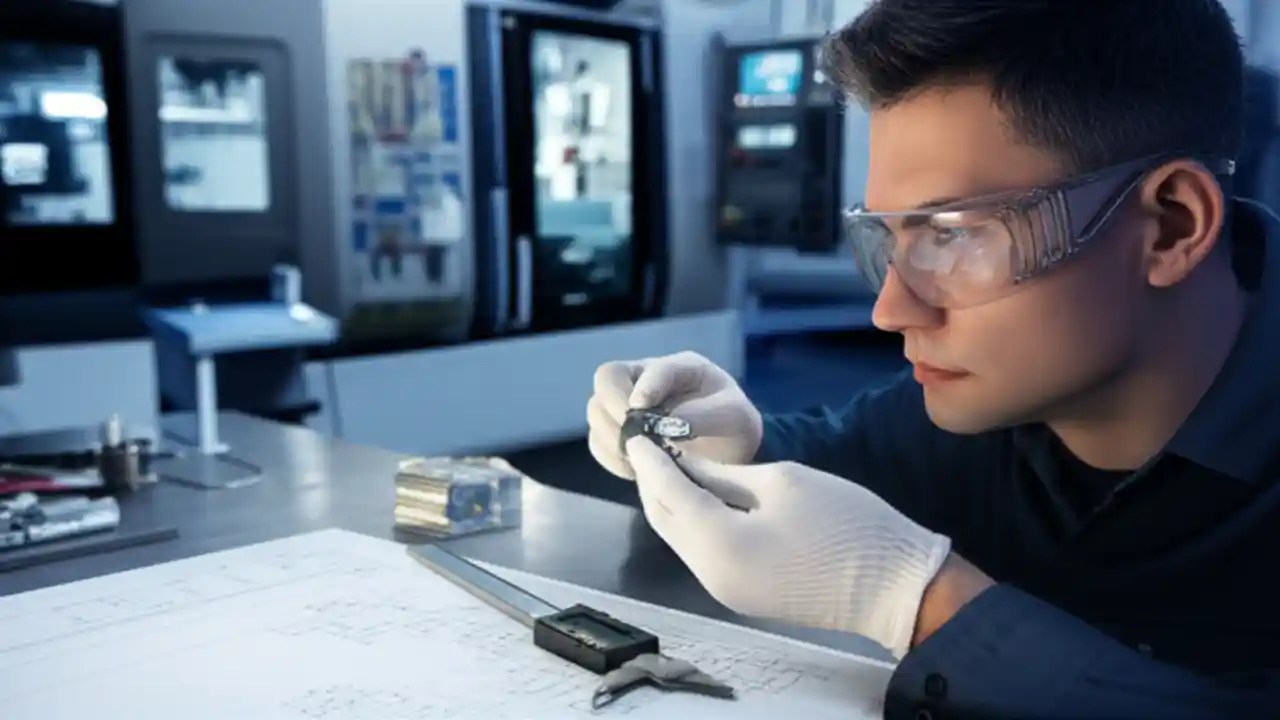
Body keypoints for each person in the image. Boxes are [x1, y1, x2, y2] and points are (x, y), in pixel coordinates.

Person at [586, 1, 1280, 718]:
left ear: (1171, 226)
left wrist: (916, 599)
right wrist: (725, 446)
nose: (891, 310)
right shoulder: (986, 406)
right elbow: (827, 466)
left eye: (954, 233)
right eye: (890, 238)